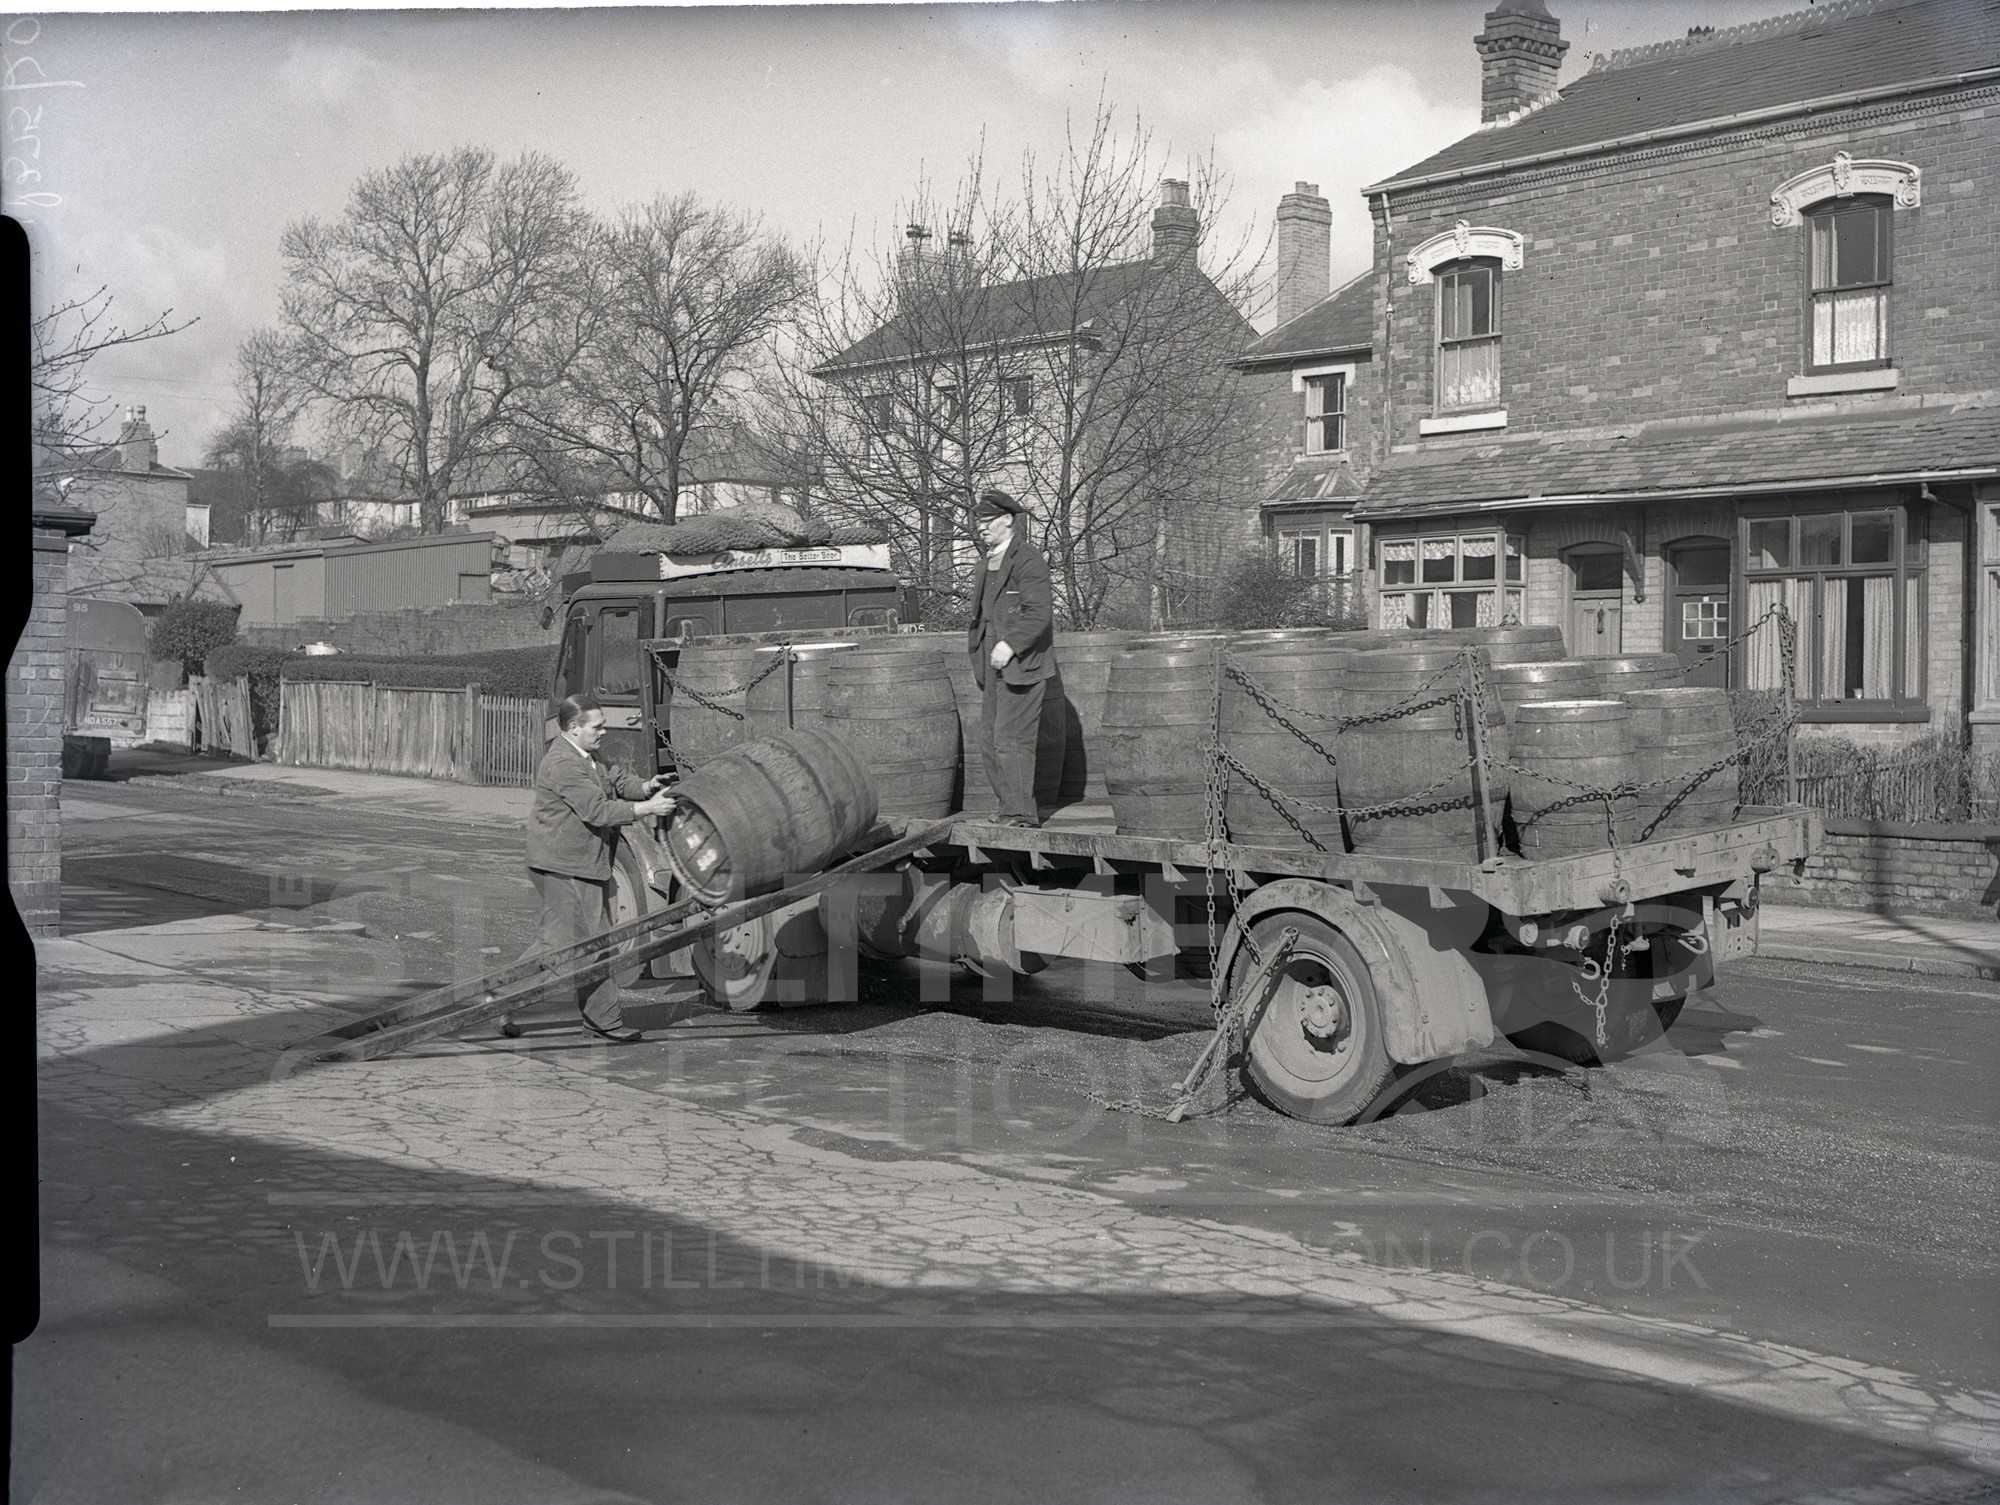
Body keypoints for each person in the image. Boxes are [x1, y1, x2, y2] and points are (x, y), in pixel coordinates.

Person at [502, 693, 677, 1041]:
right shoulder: (563, 764)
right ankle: (507, 996)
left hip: (581, 864)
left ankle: (507, 997)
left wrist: (644, 787)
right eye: (597, 727)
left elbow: (614, 779)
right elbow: (597, 810)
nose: (604, 732)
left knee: (584, 943)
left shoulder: (587, 755)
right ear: (572, 728)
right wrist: (648, 809)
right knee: (573, 944)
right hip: (561, 866)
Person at [966, 488, 1059, 826]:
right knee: (989, 738)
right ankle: (1009, 808)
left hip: (1022, 663)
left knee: (1011, 738)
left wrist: (1010, 645)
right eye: (978, 521)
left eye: (986, 521)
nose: (980, 527)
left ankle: (1021, 815)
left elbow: (1038, 613)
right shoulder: (986, 562)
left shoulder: (1028, 559)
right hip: (992, 663)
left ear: (1007, 520)